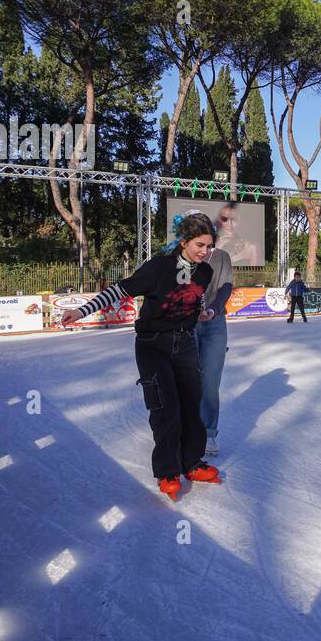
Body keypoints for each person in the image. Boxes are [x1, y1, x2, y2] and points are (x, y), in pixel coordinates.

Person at [59, 212, 222, 501]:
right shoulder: (158, 267)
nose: (205, 252)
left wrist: (205, 312)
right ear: (184, 241)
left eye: (209, 246)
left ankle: (192, 463)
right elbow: (119, 290)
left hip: (185, 344)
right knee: (165, 408)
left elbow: (196, 302)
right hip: (153, 345)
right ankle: (168, 470)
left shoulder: (205, 271)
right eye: (200, 245)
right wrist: (82, 311)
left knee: (190, 406)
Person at [193, 215, 234, 458]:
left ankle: (207, 434)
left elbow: (226, 286)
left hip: (214, 323)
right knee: (186, 379)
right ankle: (184, 429)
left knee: (209, 381)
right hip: (186, 323)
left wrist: (213, 309)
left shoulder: (221, 257)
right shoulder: (183, 258)